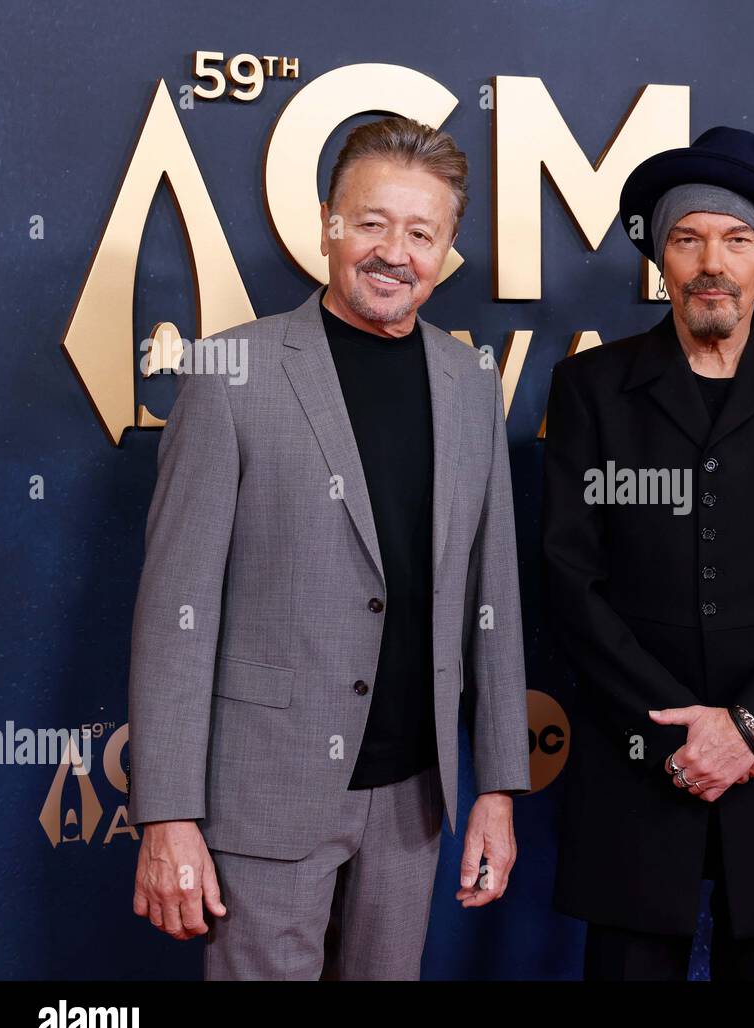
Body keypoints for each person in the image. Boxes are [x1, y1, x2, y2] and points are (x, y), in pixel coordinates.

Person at [126, 117, 530, 980]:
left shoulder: (469, 387)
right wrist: (166, 815)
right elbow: (174, 616)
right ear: (328, 224)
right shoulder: (233, 373)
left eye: (421, 233)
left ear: (447, 248)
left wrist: (496, 788)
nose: (394, 252)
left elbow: (491, 606)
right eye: (372, 222)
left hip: (415, 800)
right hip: (264, 797)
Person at [542, 126, 754, 980]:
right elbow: (571, 579)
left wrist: (752, 728)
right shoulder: (592, 388)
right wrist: (681, 732)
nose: (711, 262)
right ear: (660, 261)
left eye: (735, 240)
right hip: (636, 759)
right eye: (687, 239)